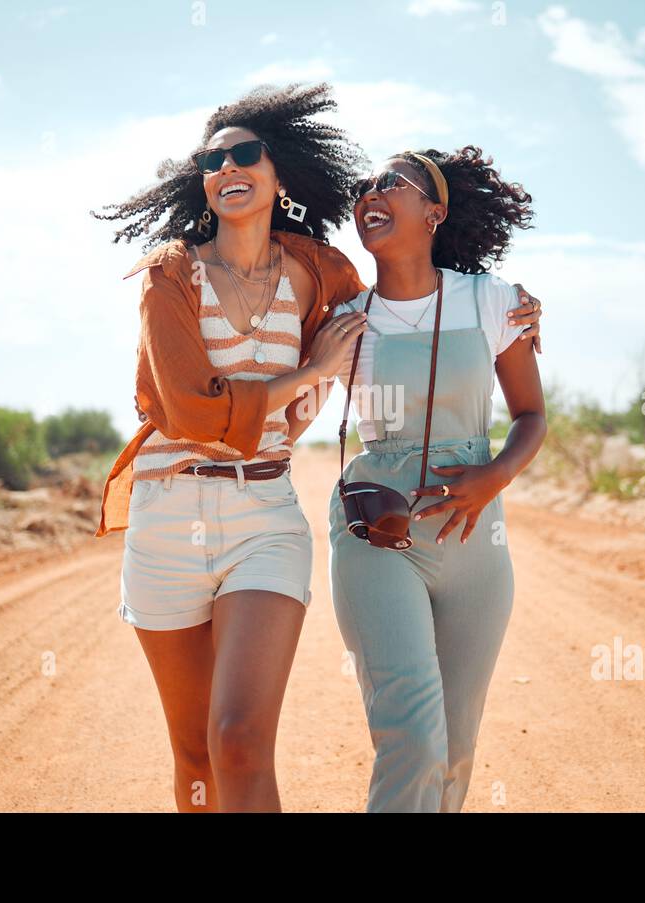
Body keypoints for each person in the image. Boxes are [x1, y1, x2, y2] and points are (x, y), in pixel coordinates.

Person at [89, 84, 546, 812]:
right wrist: (307, 374)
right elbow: (194, 407)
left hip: (336, 519)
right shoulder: (225, 285)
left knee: (281, 741)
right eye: (213, 158)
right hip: (233, 514)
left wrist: (520, 315)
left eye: (246, 153)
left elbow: (489, 371)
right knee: (212, 748)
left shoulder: (351, 282)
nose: (228, 166)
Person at [327, 146, 547, 812]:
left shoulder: (493, 301)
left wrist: (495, 475)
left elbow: (532, 415)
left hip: (476, 541)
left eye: (392, 182)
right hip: (379, 531)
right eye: (365, 186)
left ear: (435, 211)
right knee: (413, 740)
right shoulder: (342, 317)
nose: (373, 192)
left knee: (453, 752)